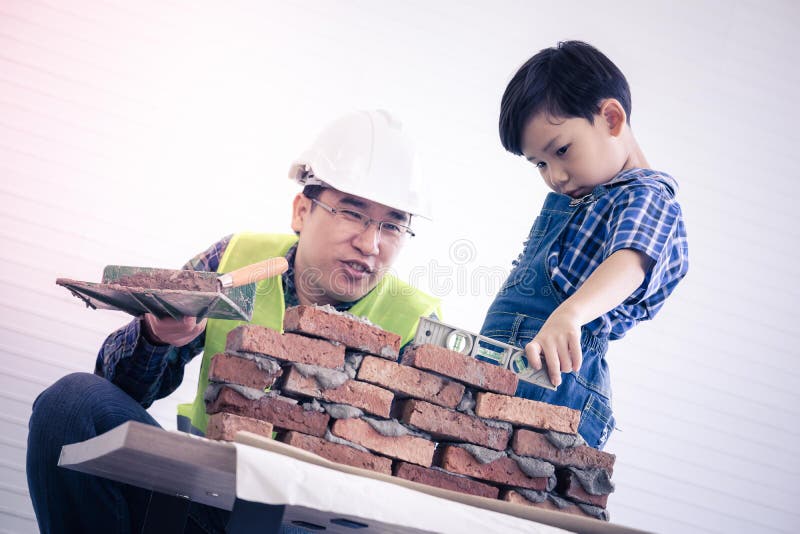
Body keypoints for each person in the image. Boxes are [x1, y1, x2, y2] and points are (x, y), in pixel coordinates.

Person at [27, 110, 441, 533]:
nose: (370, 243)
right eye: (352, 213)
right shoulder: (238, 260)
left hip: (310, 523)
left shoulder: (418, 325)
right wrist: (156, 336)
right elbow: (121, 388)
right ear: (302, 211)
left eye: (392, 225)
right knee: (72, 403)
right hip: (205, 499)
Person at [479, 41, 689, 450]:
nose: (554, 175)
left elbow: (631, 261)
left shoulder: (647, 195)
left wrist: (571, 313)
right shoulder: (578, 196)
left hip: (555, 382)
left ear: (610, 118)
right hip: (509, 365)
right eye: (539, 164)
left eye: (561, 150)